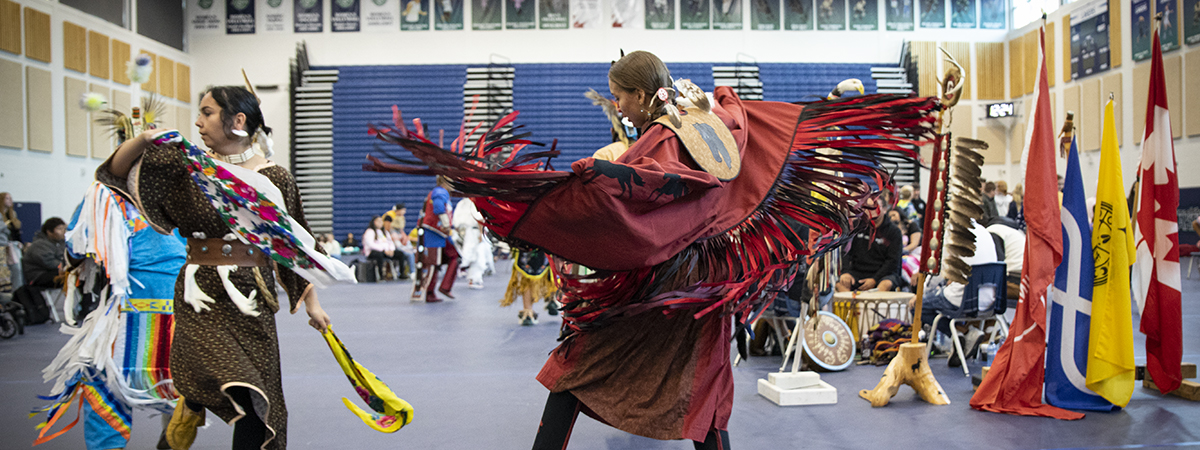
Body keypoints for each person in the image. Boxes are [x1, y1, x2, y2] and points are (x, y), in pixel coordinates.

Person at [368, 50, 942, 449]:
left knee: (581, 371)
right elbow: (730, 153)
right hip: (685, 283)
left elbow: (653, 195)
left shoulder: (670, 135)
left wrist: (593, 175)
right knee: (693, 384)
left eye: (620, 98)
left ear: (641, 94)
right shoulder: (705, 119)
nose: (617, 107)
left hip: (666, 283)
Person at [98, 85, 352, 450]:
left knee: (257, 402)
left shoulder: (274, 178)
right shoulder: (187, 167)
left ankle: (190, 404)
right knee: (232, 377)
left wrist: (313, 304)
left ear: (238, 120)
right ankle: (193, 395)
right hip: (201, 294)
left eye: (207, 112)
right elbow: (116, 171)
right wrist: (144, 140)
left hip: (252, 297)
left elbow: (295, 246)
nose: (198, 121)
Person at [912, 220, 1000, 363]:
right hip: (990, 301)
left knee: (917, 306)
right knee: (947, 294)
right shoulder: (985, 231)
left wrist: (920, 294)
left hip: (965, 300)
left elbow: (938, 271)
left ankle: (963, 333)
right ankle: (962, 333)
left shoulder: (953, 231)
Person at [836, 202, 904, 293]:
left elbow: (892, 261)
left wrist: (874, 279)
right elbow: (846, 252)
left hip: (884, 275)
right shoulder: (856, 226)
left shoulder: (894, 232)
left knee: (885, 284)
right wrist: (846, 272)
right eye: (868, 207)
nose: (871, 210)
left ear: (884, 209)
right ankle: (852, 306)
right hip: (858, 272)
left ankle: (874, 307)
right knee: (840, 284)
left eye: (875, 207)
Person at [414, 177, 458, 303]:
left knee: (453, 256)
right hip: (433, 233)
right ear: (444, 181)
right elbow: (438, 207)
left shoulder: (442, 193)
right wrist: (445, 224)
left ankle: (444, 287)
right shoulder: (440, 192)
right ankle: (428, 292)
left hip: (440, 233)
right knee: (431, 263)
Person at [500, 248, 555, 325]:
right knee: (554, 269)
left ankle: (528, 311)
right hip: (549, 241)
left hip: (526, 244)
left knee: (527, 279)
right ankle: (553, 298)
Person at [453, 197, 491, 289]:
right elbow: (480, 219)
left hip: (465, 232)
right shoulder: (474, 203)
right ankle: (474, 279)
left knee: (469, 255)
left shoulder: (461, 203)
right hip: (474, 232)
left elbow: (455, 221)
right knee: (478, 256)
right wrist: (481, 234)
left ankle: (471, 277)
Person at [22, 217, 67, 289]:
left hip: (51, 271)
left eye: (64, 228)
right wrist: (65, 267)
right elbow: (49, 263)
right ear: (49, 231)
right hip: (38, 275)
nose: (63, 231)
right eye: (59, 229)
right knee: (69, 275)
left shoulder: (60, 243)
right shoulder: (39, 244)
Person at [986, 220, 1025, 300]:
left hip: (1015, 283)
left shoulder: (992, 232)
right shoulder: (1013, 232)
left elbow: (996, 265)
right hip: (1027, 282)